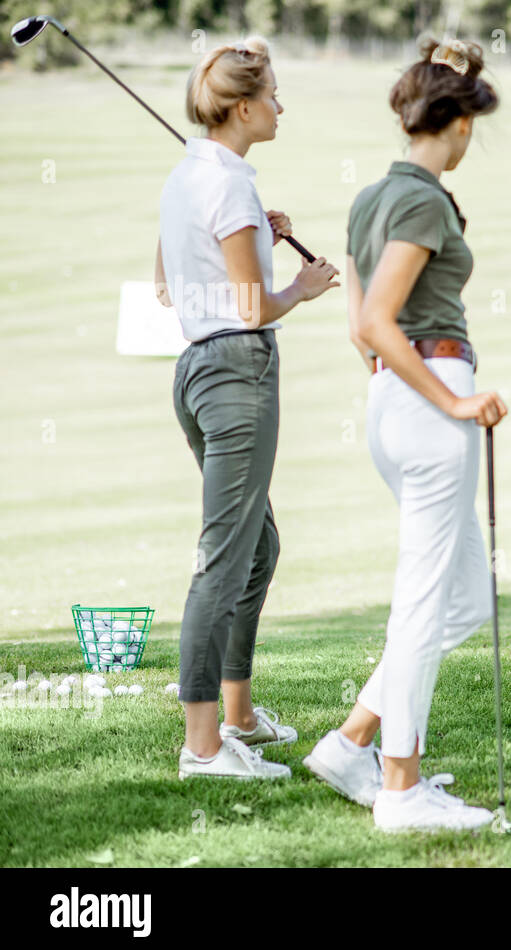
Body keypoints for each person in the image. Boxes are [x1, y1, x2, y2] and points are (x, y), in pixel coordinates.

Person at [302, 37, 508, 833]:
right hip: (432, 395)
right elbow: (381, 320)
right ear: (453, 123)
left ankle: (355, 742)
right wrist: (451, 404)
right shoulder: (422, 199)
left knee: (460, 599)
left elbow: (360, 327)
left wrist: (404, 390)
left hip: (395, 402)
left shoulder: (369, 199)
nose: (469, 143)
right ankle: (400, 789)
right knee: (425, 601)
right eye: (470, 127)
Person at [158, 37, 340, 780]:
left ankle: (236, 714)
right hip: (236, 371)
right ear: (241, 107)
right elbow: (252, 305)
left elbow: (171, 279)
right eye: (272, 97)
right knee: (224, 558)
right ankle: (203, 746)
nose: (280, 107)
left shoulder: (188, 178)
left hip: (198, 373)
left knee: (257, 548)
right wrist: (305, 285)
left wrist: (250, 231)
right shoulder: (225, 184)